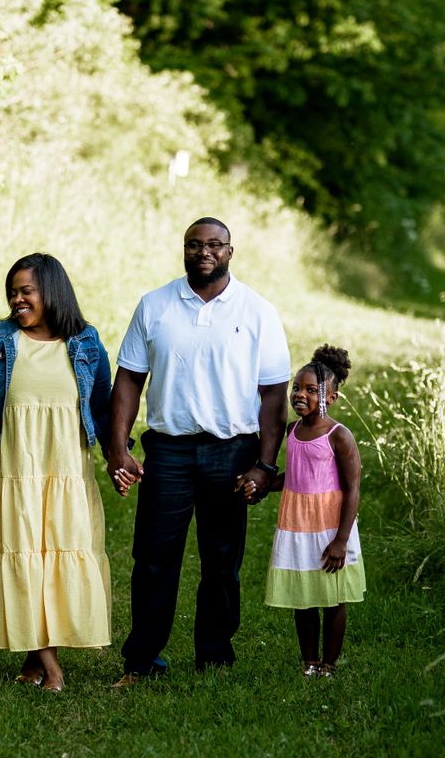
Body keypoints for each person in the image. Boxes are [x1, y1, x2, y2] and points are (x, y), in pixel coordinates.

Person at [107, 217, 291, 685]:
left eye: (214, 244)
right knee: (153, 557)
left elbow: (273, 394)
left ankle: (214, 656)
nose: (204, 251)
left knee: (222, 559)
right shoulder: (155, 305)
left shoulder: (257, 312)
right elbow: (129, 378)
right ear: (184, 250)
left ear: (230, 251)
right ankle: (143, 659)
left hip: (231, 451)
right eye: (194, 244)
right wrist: (118, 447)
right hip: (167, 451)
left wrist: (265, 464)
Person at [0, 253, 112, 693]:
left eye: (26, 291)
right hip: (9, 467)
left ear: (51, 292)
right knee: (20, 551)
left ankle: (34, 660)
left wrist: (119, 458)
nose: (16, 300)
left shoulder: (86, 343)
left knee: (54, 555)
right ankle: (52, 668)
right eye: (12, 292)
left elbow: (105, 412)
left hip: (64, 470)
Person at [257, 344, 365, 677]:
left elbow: (352, 489)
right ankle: (309, 662)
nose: (300, 394)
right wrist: (262, 485)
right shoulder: (293, 432)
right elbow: (296, 477)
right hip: (298, 524)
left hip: (331, 526)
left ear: (331, 397)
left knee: (333, 598)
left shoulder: (339, 436)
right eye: (296, 387)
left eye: (311, 390)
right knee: (304, 596)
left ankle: (329, 664)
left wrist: (340, 541)